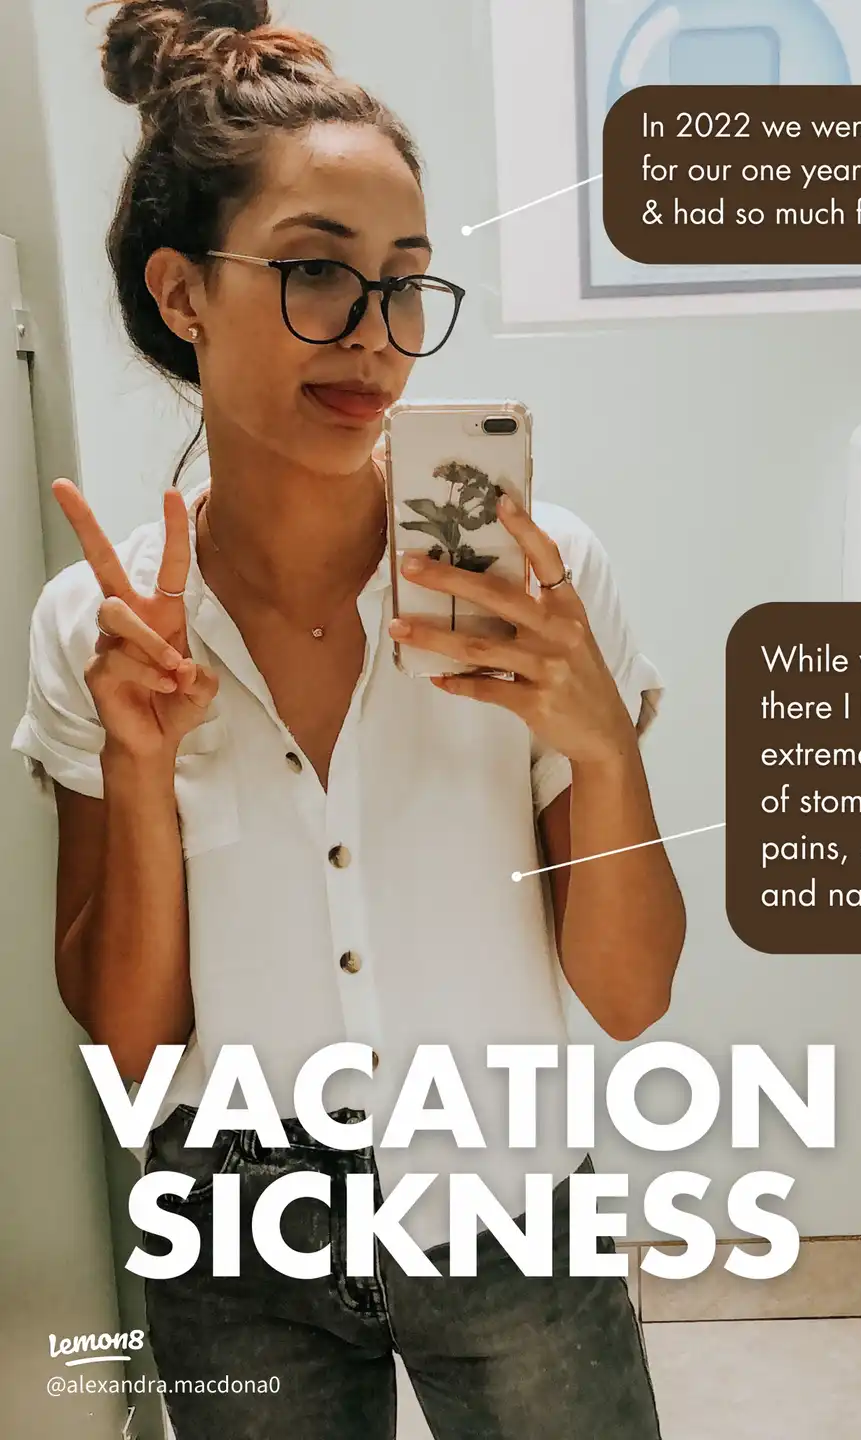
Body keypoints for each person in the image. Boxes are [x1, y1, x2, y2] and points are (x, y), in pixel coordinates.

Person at [11, 1, 687, 1435]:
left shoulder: (547, 582)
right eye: (315, 273)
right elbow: (133, 1053)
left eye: (405, 284)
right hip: (232, 1242)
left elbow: (630, 996)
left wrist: (600, 740)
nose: (374, 338)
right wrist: (138, 764)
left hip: (508, 1205)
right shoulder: (100, 627)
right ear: (182, 293)